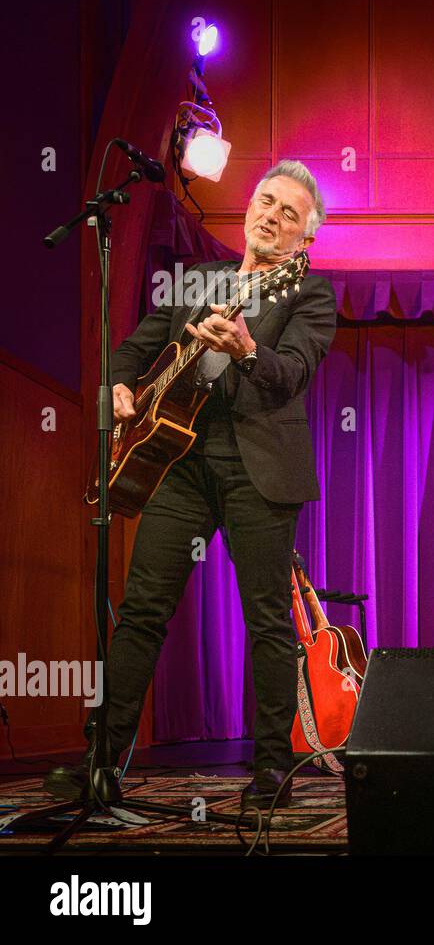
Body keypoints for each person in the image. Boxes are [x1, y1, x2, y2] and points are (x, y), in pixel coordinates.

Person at [45, 160, 338, 810]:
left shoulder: (309, 294)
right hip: (180, 461)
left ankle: (271, 769)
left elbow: (292, 374)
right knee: (144, 610)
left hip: (259, 472)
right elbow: (134, 348)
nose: (271, 216)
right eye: (266, 201)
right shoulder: (197, 281)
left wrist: (246, 348)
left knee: (266, 622)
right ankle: (101, 761)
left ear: (303, 242)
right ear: (248, 208)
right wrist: (119, 387)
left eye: (289, 214)